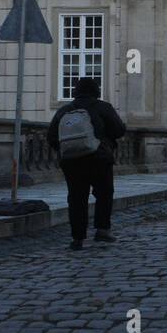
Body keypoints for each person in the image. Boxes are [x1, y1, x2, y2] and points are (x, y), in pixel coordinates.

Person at [47, 77, 127, 251]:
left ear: (76, 91)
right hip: (99, 158)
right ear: (96, 91)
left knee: (76, 198)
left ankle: (77, 238)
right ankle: (102, 230)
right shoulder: (103, 107)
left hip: (71, 161)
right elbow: (118, 130)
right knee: (104, 194)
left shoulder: (64, 110)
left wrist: (68, 150)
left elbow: (52, 137)